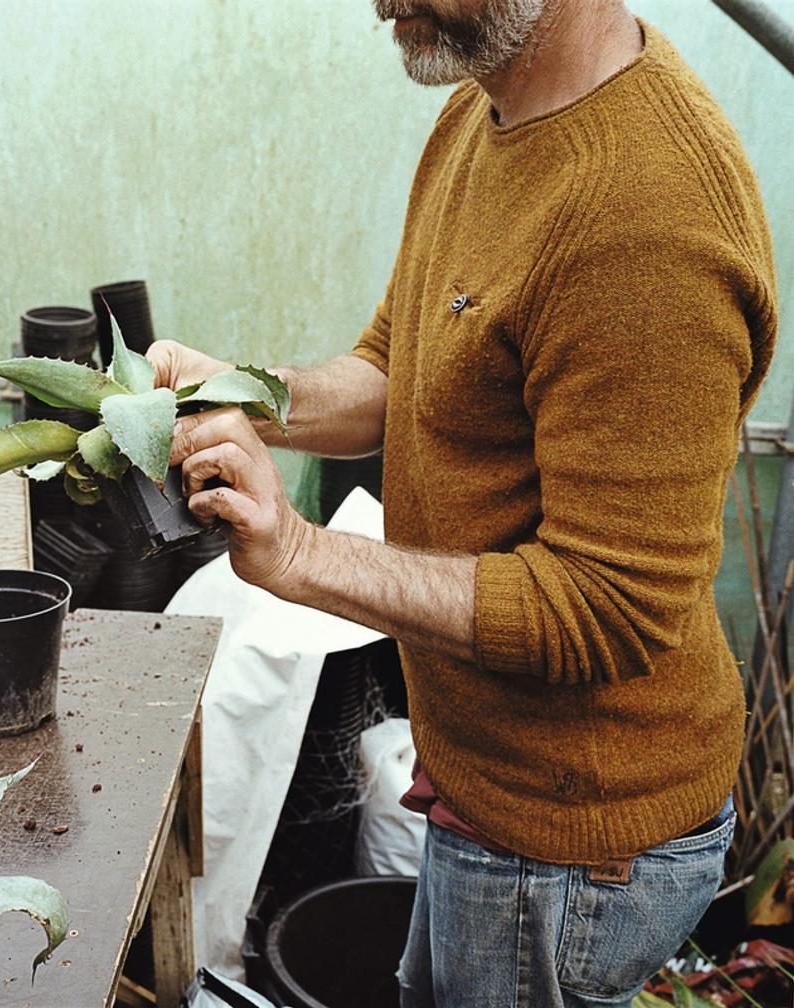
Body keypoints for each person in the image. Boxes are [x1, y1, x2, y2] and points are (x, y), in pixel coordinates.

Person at [148, 1, 778, 1005]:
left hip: (567, 844)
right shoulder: (489, 110)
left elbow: (606, 606)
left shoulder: (646, 224)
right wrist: (244, 395)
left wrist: (300, 554)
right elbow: (402, 372)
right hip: (487, 785)